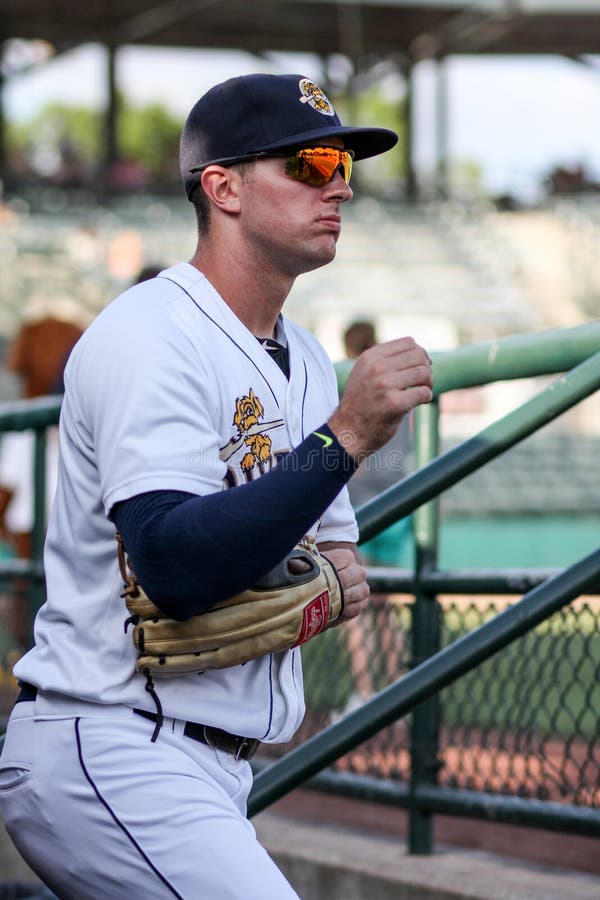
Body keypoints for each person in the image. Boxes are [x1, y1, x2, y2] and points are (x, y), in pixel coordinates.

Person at [0, 73, 433, 899]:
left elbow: (337, 567)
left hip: (218, 767)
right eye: (309, 163)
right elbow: (171, 564)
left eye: (344, 161)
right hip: (113, 747)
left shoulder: (304, 355)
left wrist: (287, 557)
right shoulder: (149, 332)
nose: (340, 182)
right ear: (222, 185)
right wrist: (343, 438)